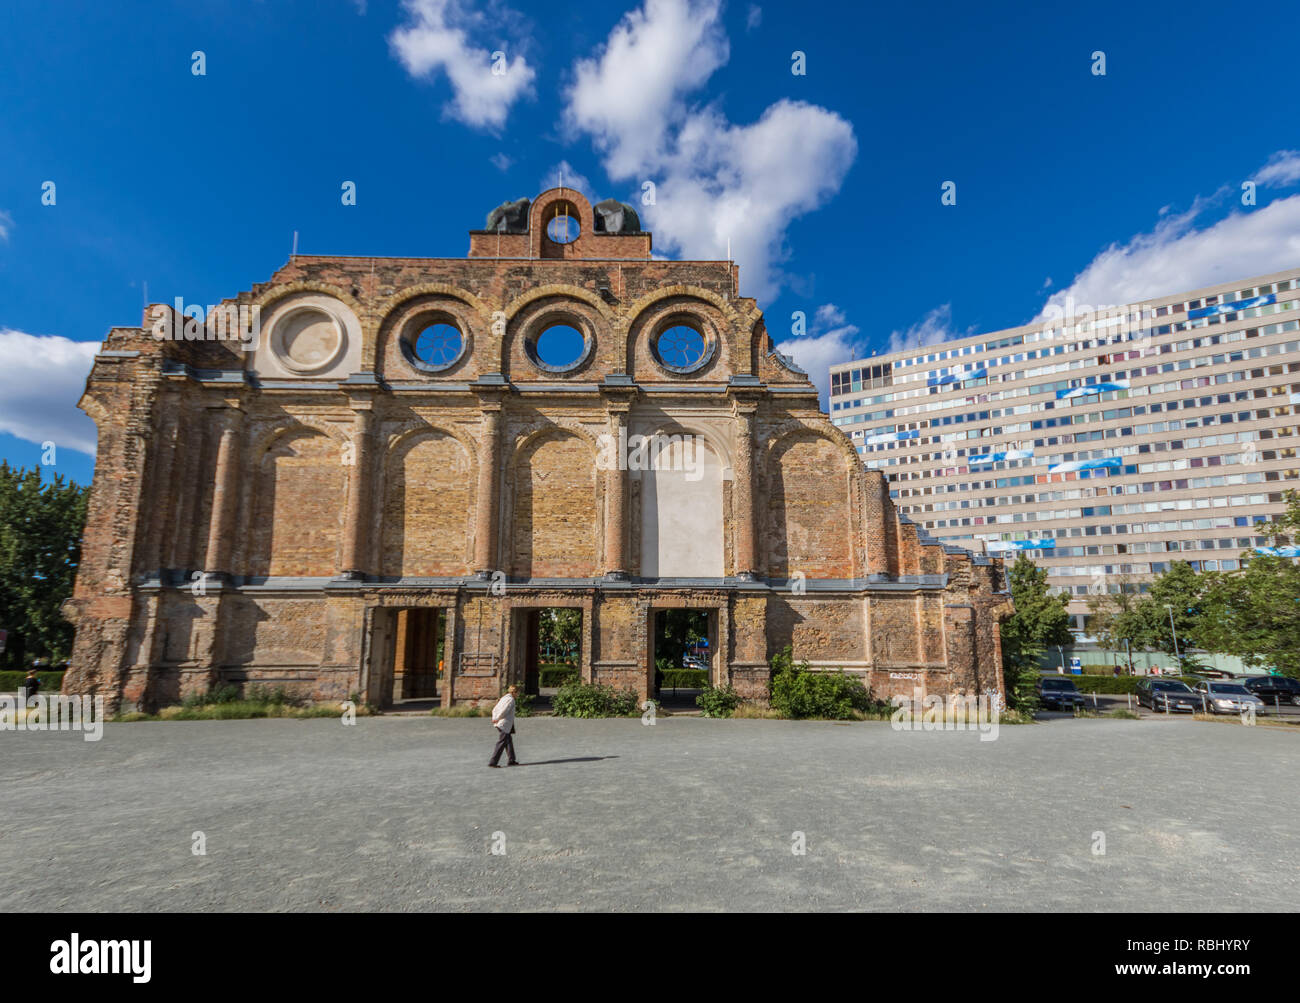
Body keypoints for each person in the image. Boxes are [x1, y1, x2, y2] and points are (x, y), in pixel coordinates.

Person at [488, 684, 520, 768]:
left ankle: (511, 759)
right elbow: (504, 711)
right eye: (518, 693)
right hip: (504, 724)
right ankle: (493, 762)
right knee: (501, 742)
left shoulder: (503, 698)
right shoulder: (510, 700)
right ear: (515, 692)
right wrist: (497, 718)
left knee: (508, 741)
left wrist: (494, 718)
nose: (518, 695)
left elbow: (494, 709)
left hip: (501, 723)